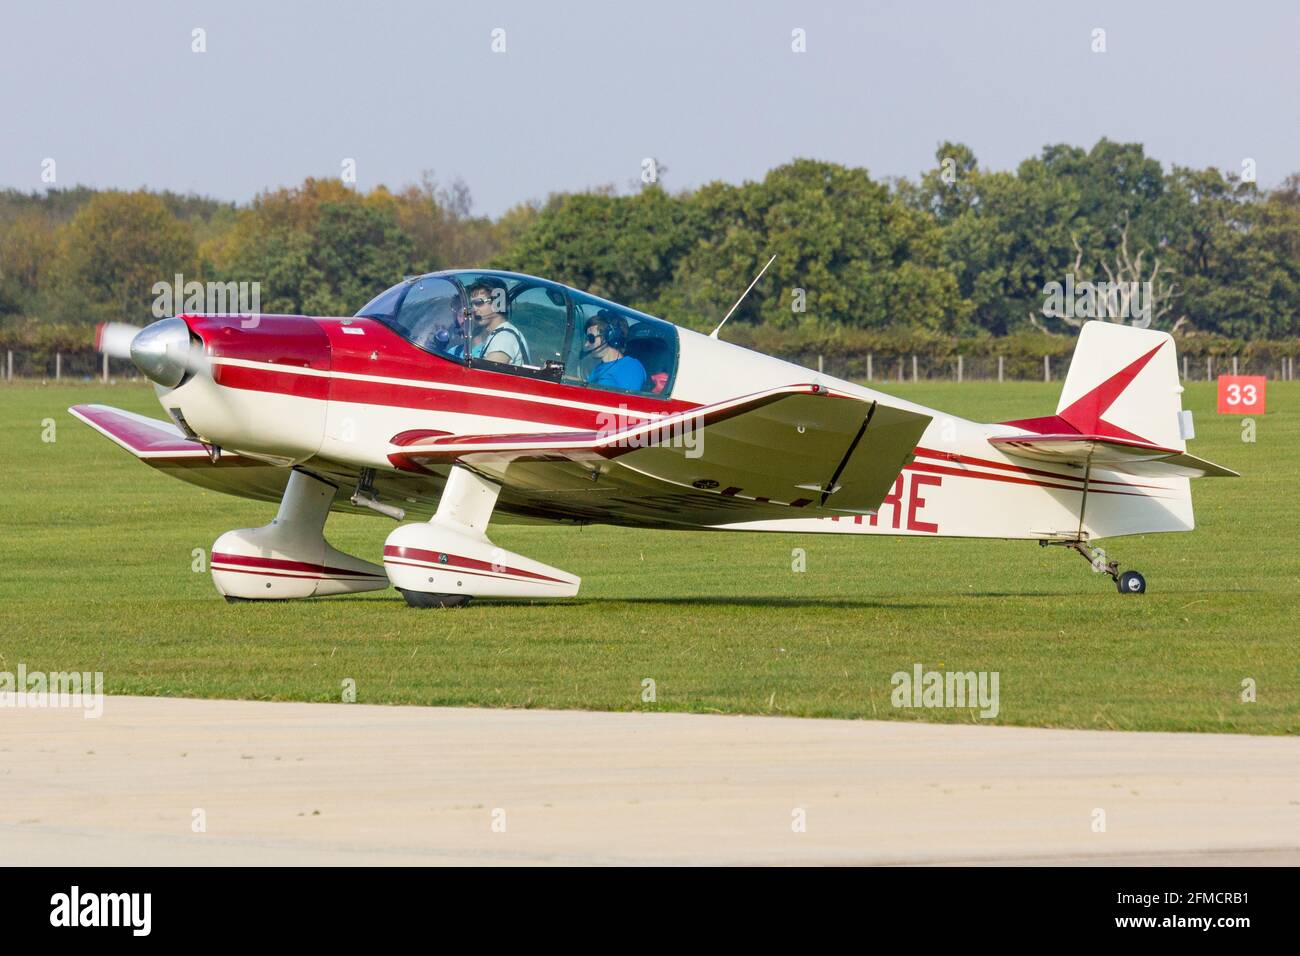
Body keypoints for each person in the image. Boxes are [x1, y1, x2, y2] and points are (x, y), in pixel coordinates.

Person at [466, 278, 528, 366]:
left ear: (498, 303)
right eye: (471, 304)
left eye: (478, 303)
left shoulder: (503, 338)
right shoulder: (498, 334)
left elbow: (485, 377)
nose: (473, 309)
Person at [584, 311, 647, 391]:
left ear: (610, 336)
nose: (586, 345)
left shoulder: (630, 367)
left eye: (591, 338)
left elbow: (626, 403)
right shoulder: (599, 368)